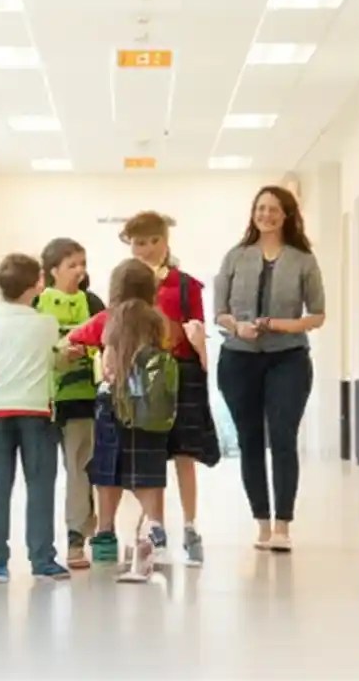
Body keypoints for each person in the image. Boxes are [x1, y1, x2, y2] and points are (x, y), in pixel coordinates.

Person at [64, 260, 205, 579]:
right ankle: (155, 531)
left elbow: (72, 339)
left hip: (112, 406)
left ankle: (105, 536)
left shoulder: (106, 319)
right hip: (150, 409)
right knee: (148, 471)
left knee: (108, 470)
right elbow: (171, 346)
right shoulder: (160, 321)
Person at [214, 186, 325, 553]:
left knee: (282, 438)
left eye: (274, 209)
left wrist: (279, 325)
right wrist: (236, 327)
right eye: (260, 208)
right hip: (238, 358)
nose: (266, 215)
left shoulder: (303, 260)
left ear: (287, 214)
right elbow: (219, 311)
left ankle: (283, 526)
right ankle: (261, 523)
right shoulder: (235, 256)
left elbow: (317, 315)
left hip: (288, 358)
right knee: (249, 441)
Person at [121, 211, 218, 566]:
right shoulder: (127, 283)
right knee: (148, 454)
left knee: (184, 454)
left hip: (182, 372)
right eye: (139, 242)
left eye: (153, 241)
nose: (147, 249)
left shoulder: (186, 284)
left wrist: (200, 352)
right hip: (142, 376)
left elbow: (196, 326)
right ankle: (156, 526)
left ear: (166, 241)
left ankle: (191, 527)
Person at [0, 253, 71, 582]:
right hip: (35, 411)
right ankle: (42, 559)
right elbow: (55, 361)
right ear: (37, 285)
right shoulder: (46, 324)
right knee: (40, 486)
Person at [35, 238, 98, 570]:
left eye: (82, 264)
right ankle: (41, 545)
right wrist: (57, 355)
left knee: (79, 470)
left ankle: (77, 538)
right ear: (53, 270)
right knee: (43, 474)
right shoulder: (36, 305)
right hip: (42, 402)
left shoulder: (93, 302)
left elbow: (106, 342)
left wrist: (85, 352)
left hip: (82, 400)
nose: (79, 271)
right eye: (72, 265)